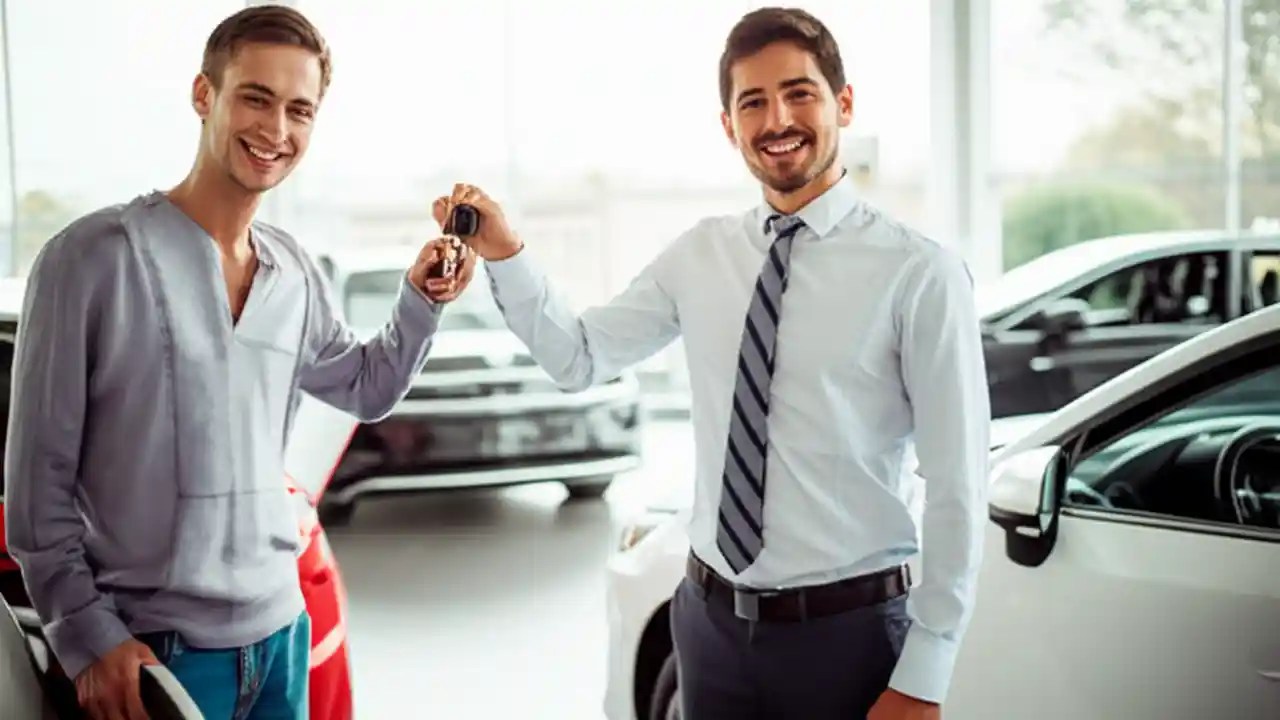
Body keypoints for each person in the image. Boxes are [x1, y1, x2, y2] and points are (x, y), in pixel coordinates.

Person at [434, 7, 988, 719]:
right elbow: (581, 356)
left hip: (848, 638)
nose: (776, 119)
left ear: (843, 104)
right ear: (728, 126)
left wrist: (926, 672)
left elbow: (956, 486)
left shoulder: (920, 272)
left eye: (800, 93)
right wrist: (506, 255)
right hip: (708, 626)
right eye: (751, 102)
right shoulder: (701, 255)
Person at [3, 6, 475, 720]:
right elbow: (38, 490)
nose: (276, 131)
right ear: (204, 95)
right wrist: (86, 635)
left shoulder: (295, 270)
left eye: (299, 110)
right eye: (255, 98)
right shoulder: (89, 260)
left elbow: (365, 385)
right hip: (151, 654)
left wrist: (421, 301)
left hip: (281, 638)